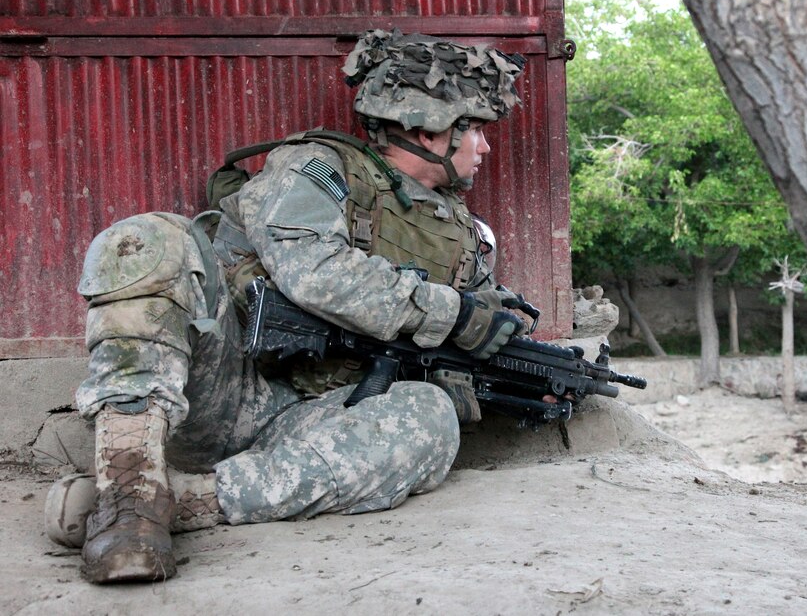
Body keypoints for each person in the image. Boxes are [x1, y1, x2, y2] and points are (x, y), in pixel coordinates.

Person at [44, 30, 531, 584]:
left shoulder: (464, 233)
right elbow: (313, 270)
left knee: (430, 419)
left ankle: (177, 502)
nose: (485, 148)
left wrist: (501, 336)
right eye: (475, 131)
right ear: (427, 127)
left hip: (316, 418)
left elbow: (486, 321)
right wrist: (448, 313)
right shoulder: (319, 169)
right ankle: (127, 493)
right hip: (224, 389)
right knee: (147, 240)